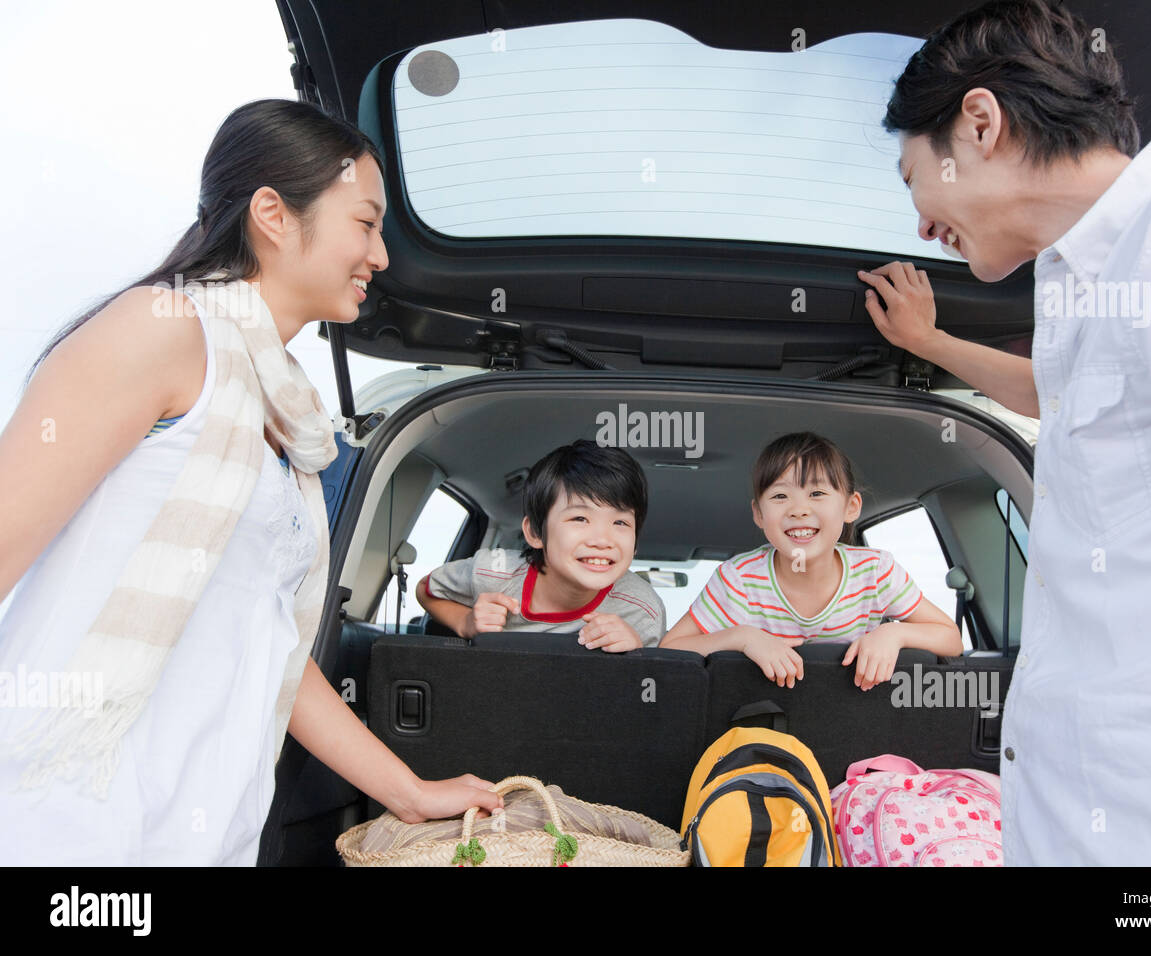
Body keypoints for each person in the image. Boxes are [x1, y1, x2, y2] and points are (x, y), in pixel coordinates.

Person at [0, 99, 501, 866]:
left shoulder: (284, 409)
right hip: (66, 818)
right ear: (273, 213)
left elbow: (271, 645)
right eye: (366, 224)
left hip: (198, 828)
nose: (383, 256)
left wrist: (409, 793)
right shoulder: (165, 328)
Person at [859, 0, 1151, 864]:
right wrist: (930, 344)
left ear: (979, 122)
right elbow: (1064, 397)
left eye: (914, 178)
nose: (918, 224)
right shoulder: (1075, 280)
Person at [660, 432, 961, 686]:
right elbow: (670, 649)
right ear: (759, 514)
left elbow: (951, 639)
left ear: (851, 507)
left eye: (816, 493)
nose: (799, 509)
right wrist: (742, 638)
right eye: (780, 496)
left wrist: (894, 633)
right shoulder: (738, 580)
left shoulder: (875, 572)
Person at [417, 440, 665, 650]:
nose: (602, 540)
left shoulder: (642, 610)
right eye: (580, 518)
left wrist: (637, 654)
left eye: (620, 522)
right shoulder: (492, 572)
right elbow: (425, 590)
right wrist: (466, 622)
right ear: (535, 532)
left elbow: (656, 691)